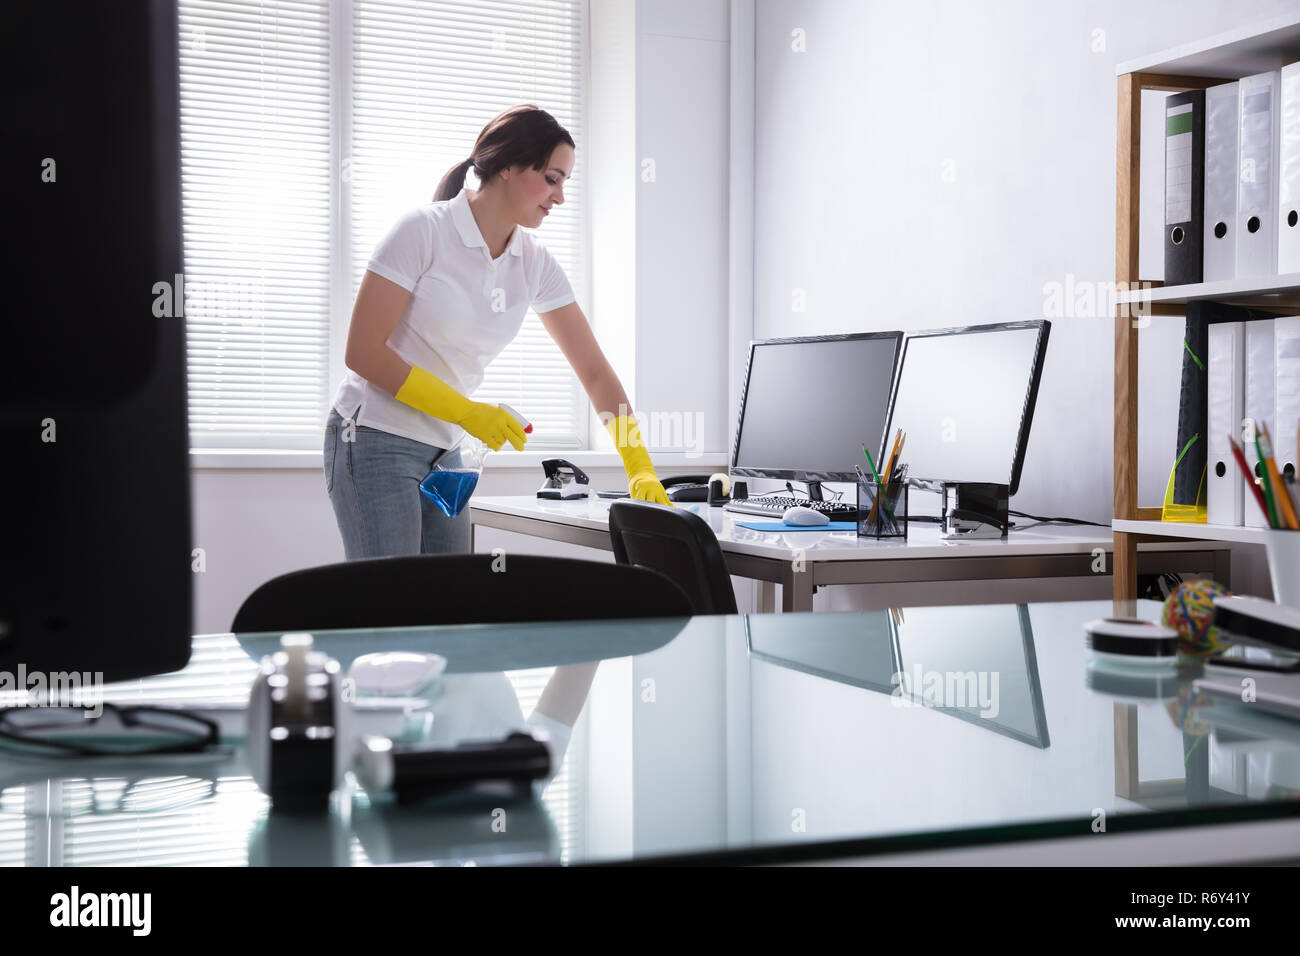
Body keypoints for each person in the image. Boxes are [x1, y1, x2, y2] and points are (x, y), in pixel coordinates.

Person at [325, 104, 671, 559]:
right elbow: (363, 353)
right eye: (552, 178)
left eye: (565, 182)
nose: (560, 197)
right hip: (373, 438)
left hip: (446, 455)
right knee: (390, 611)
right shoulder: (423, 231)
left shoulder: (533, 262)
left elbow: (594, 371)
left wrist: (638, 465)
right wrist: (466, 411)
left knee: (449, 613)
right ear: (507, 166)